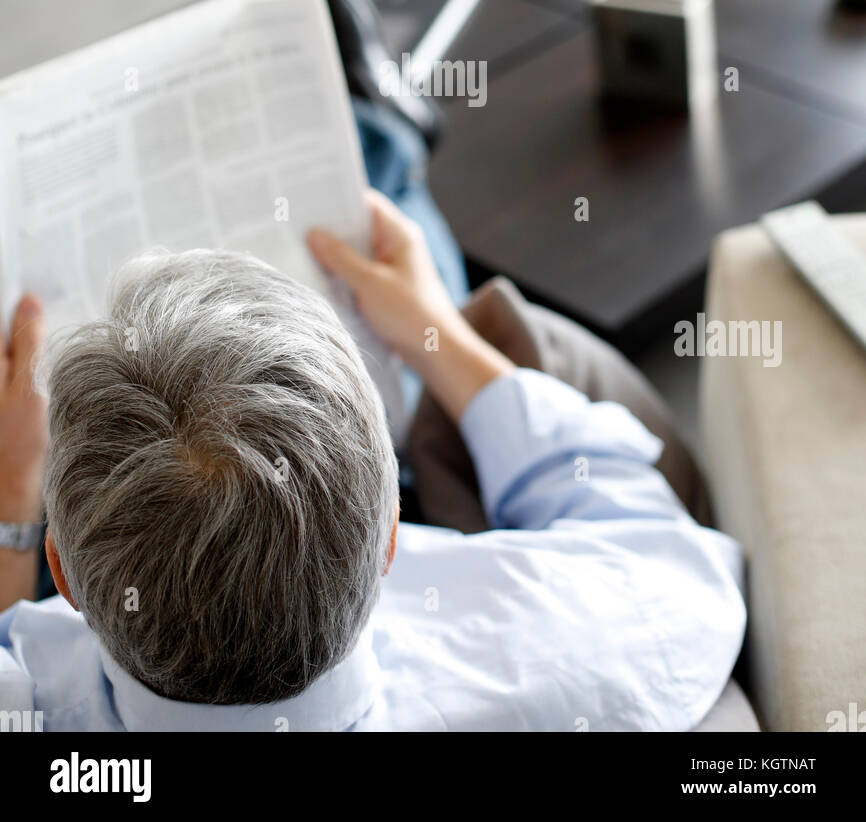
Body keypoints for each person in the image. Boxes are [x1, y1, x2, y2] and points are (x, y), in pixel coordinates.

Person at [0, 179, 746, 731]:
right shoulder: (553, 646)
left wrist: (11, 505)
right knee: (390, 191)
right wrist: (435, 333)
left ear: (62, 572)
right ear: (390, 532)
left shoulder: (34, 690)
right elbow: (665, 554)